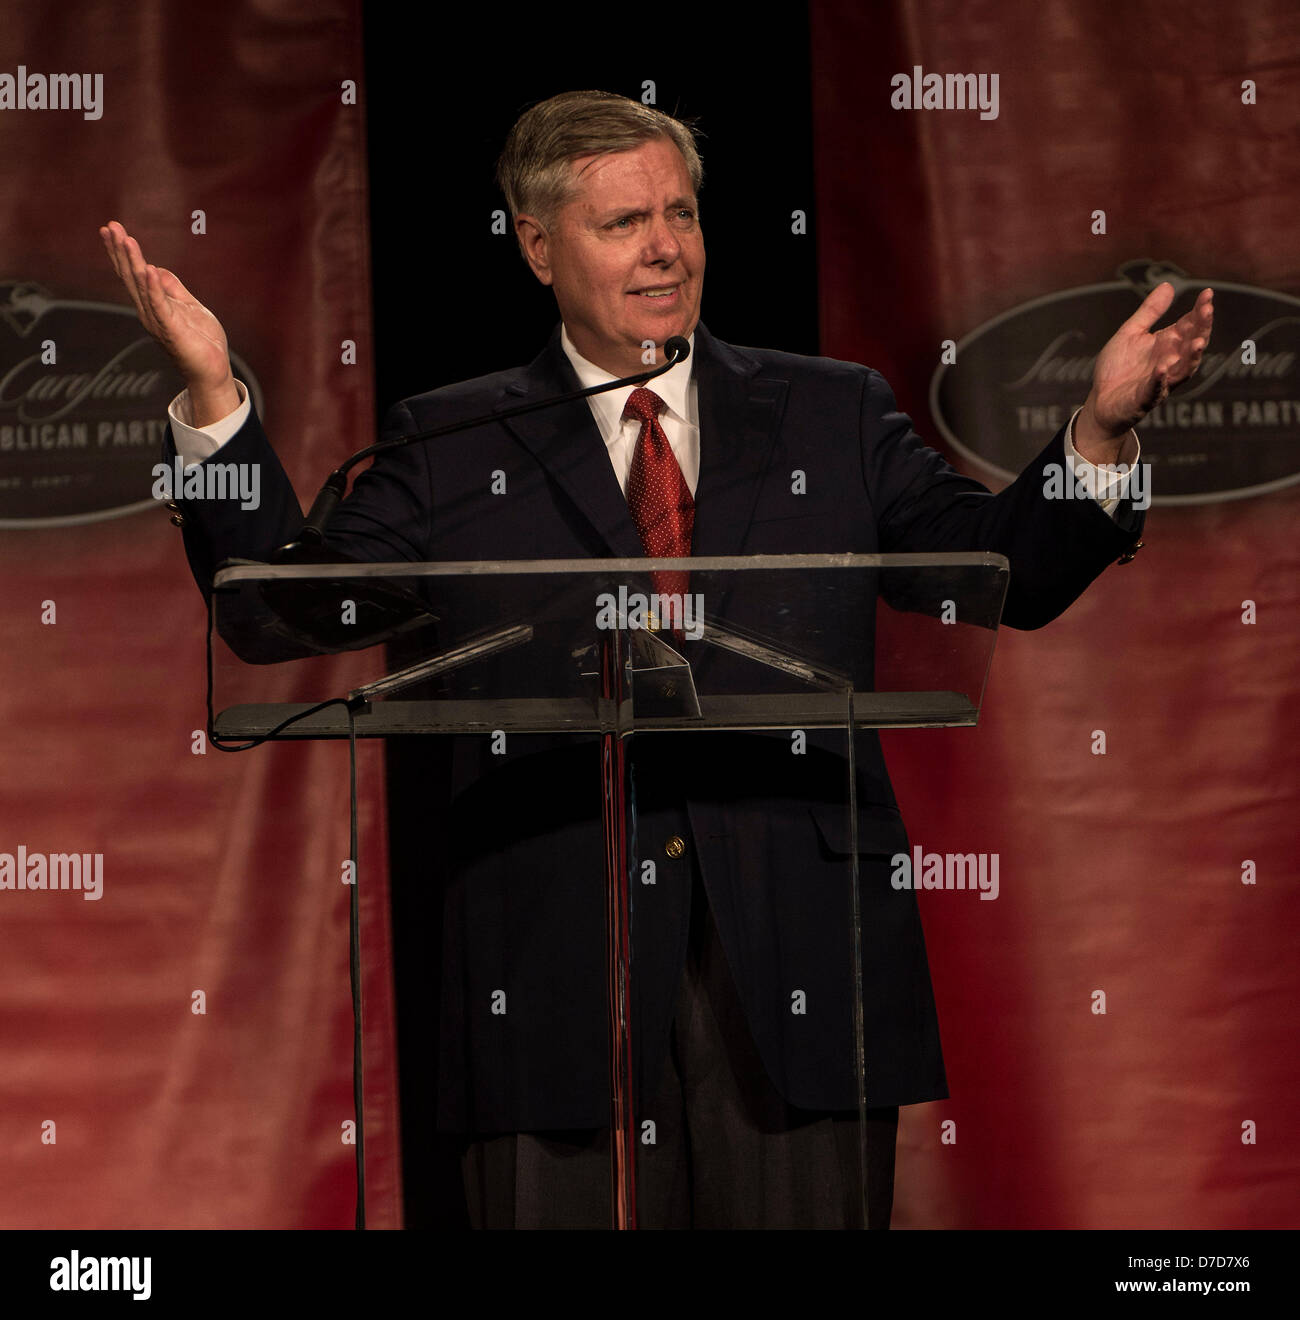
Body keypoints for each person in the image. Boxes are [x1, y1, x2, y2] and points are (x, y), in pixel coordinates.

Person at [100, 89, 1212, 1230]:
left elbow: (1001, 574)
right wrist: (214, 399)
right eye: (624, 222)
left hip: (799, 953)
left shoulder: (829, 412)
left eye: (680, 213)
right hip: (547, 969)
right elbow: (280, 616)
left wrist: (1099, 434)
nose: (665, 248)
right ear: (538, 247)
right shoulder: (451, 442)